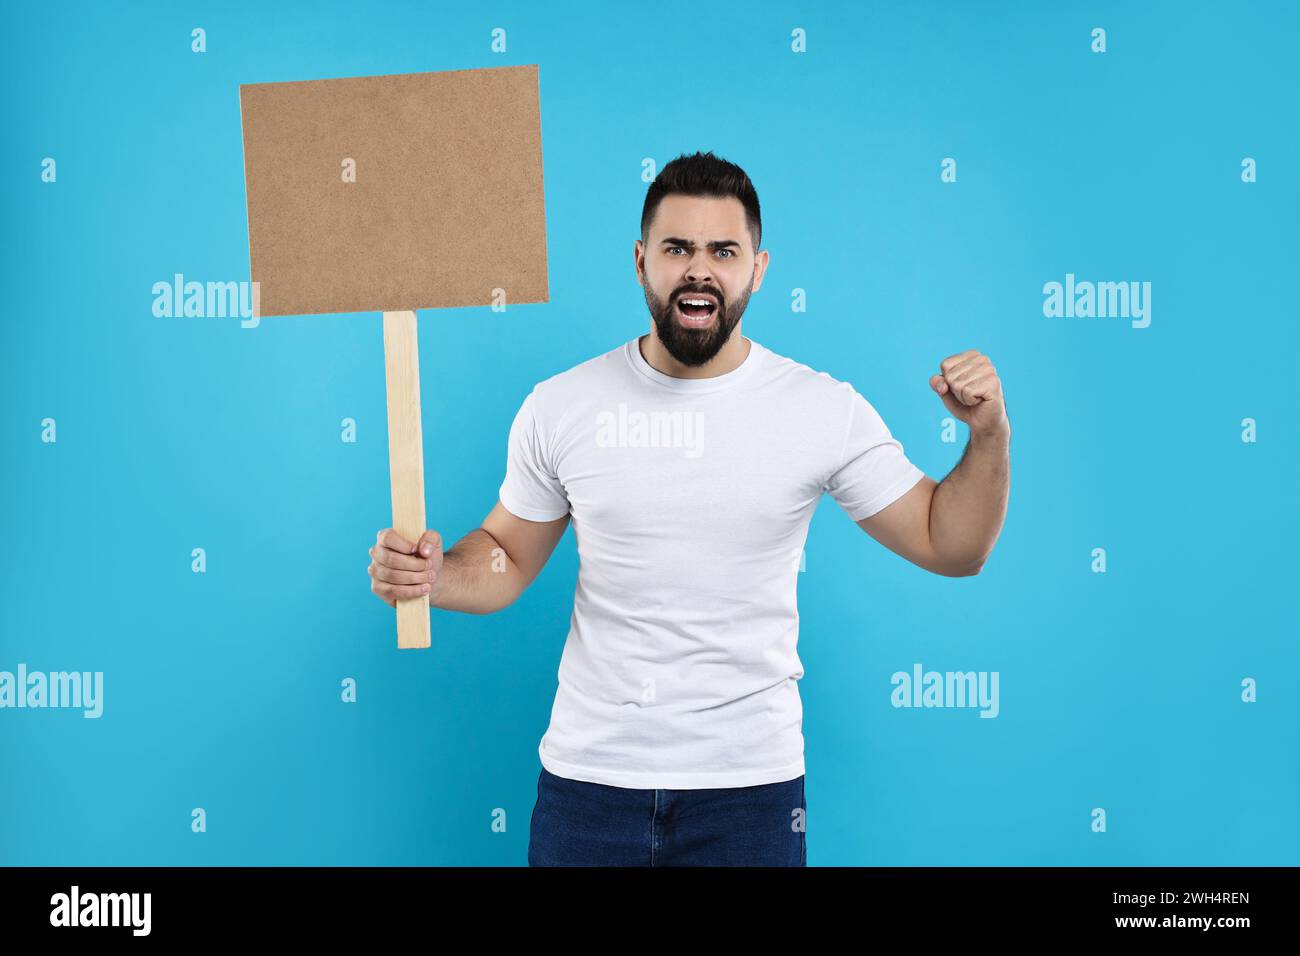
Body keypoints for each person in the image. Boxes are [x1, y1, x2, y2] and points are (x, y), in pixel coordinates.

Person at [368, 151, 1011, 866]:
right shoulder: (562, 406)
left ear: (758, 269)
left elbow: (952, 545)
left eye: (723, 251)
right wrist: (436, 574)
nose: (699, 270)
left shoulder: (821, 409)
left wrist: (988, 433)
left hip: (750, 794)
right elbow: (508, 556)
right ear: (641, 261)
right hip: (589, 786)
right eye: (677, 248)